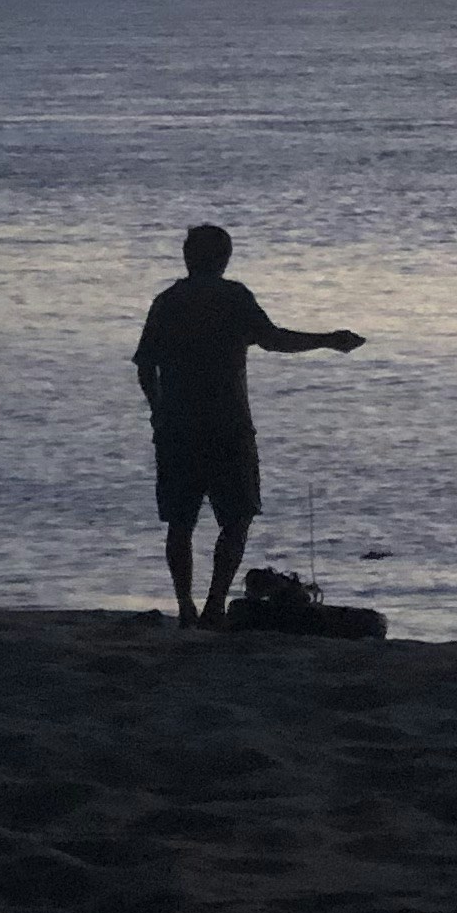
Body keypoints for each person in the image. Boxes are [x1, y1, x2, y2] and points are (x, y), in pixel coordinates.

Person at [132, 223, 364, 630]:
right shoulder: (233, 297)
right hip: (229, 426)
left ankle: (186, 606)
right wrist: (327, 339)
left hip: (178, 429)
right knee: (237, 518)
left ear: (188, 257)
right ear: (224, 259)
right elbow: (273, 339)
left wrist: (158, 412)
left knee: (180, 522)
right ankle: (214, 604)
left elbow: (145, 366)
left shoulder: (167, 302)